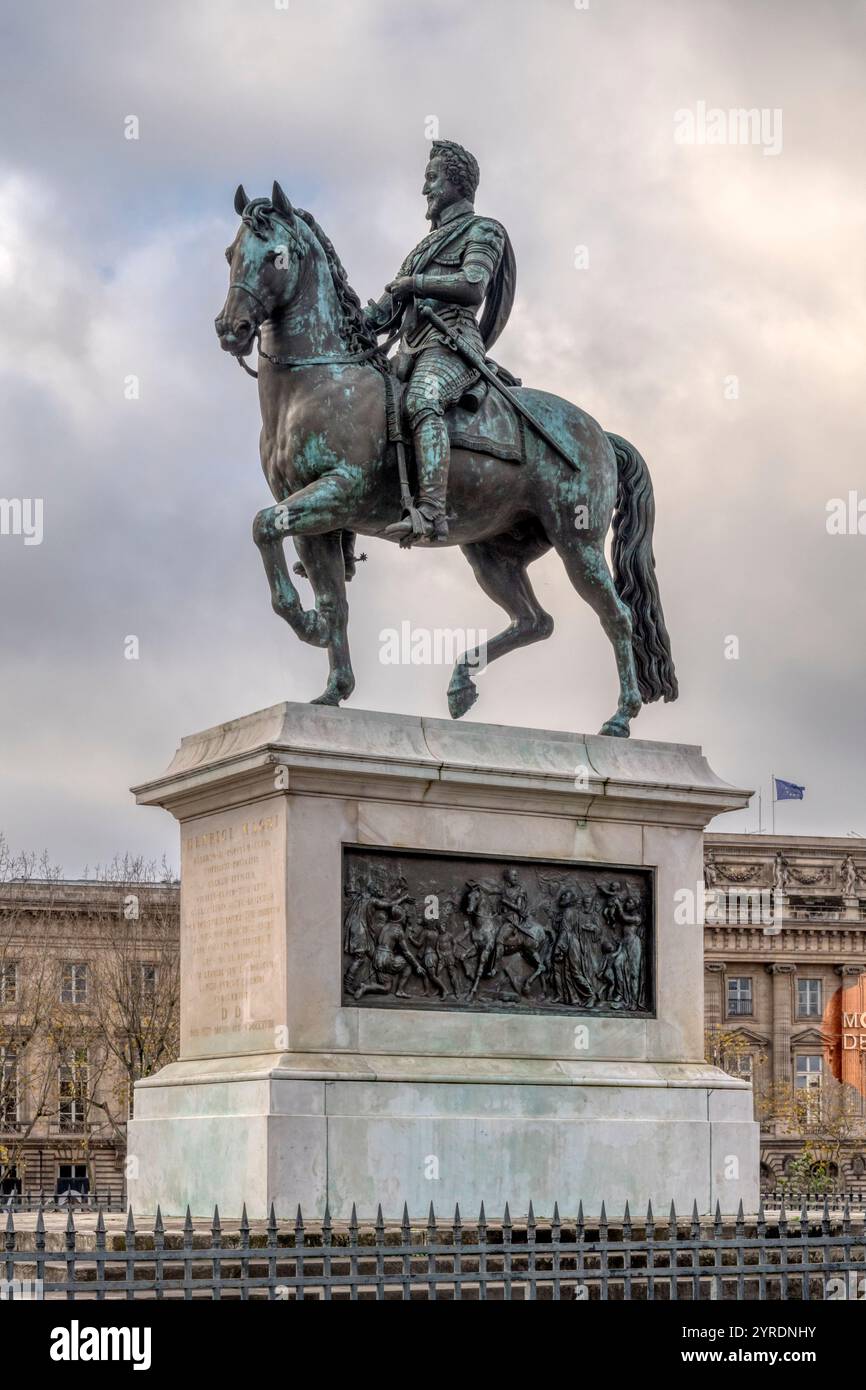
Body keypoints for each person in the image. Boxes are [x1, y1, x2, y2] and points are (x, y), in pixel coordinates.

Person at [364, 140, 516, 544]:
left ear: (456, 183)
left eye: (432, 179)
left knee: (421, 400)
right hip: (409, 352)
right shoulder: (422, 248)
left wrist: (415, 284)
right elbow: (384, 313)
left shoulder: (484, 230)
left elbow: (472, 285)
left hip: (453, 346)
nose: (425, 189)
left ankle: (431, 512)